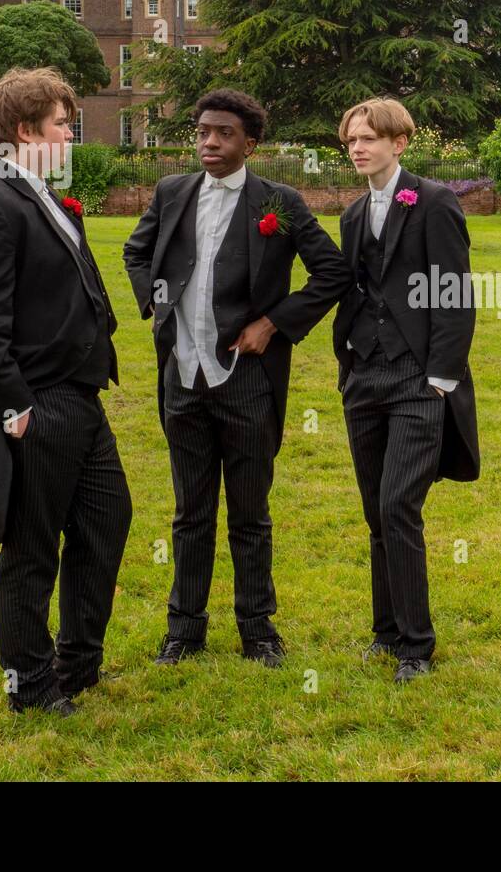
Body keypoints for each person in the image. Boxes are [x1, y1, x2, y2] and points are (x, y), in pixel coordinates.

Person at [122, 89, 350, 669]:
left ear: (250, 144)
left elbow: (333, 272)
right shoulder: (172, 191)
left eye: (223, 134)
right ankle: (185, 630)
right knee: (189, 513)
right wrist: (159, 305)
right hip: (182, 379)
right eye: (203, 132)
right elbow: (136, 250)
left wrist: (273, 324)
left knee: (250, 514)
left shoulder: (280, 202)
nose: (209, 143)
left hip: (247, 382)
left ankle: (257, 630)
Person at [0, 67, 131, 717]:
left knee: (107, 522)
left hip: (83, 400)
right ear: (24, 130)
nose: (69, 134)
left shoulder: (45, 195)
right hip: (37, 405)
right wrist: (15, 407)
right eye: (60, 123)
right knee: (31, 549)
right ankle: (30, 682)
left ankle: (77, 662)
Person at [331, 98, 480, 683]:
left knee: (399, 506)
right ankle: (386, 633)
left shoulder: (435, 202)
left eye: (369, 138)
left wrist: (440, 378)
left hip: (419, 379)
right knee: (376, 511)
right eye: (351, 141)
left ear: (399, 143)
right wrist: (346, 359)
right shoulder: (349, 215)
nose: (358, 148)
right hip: (363, 375)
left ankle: (417, 646)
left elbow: (452, 292)